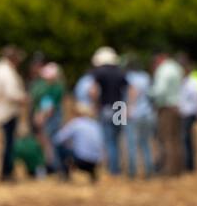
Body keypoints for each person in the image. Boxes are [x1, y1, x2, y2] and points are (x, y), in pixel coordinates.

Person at [0, 46, 27, 181]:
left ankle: (6, 171)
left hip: (1, 111)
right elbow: (11, 93)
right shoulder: (6, 72)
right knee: (8, 144)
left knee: (7, 143)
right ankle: (7, 172)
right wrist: (23, 98)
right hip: (7, 112)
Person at [88, 47, 127, 175]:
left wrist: (94, 104)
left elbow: (93, 91)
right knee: (117, 139)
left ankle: (113, 169)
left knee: (108, 140)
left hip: (107, 107)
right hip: (120, 107)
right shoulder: (120, 72)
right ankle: (119, 166)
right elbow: (130, 88)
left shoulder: (99, 72)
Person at [150, 51, 185, 174]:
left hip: (166, 108)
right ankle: (178, 167)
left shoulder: (163, 70)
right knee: (176, 139)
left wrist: (148, 94)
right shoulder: (176, 68)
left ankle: (168, 169)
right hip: (176, 107)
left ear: (159, 58)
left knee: (166, 139)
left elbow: (160, 91)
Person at [53, 102, 105, 183]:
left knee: (59, 147)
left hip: (81, 160)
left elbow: (57, 138)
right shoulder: (95, 124)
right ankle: (92, 173)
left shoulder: (76, 123)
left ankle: (64, 175)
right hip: (96, 162)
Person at [31, 62, 66, 173]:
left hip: (52, 118)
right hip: (49, 118)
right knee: (48, 142)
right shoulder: (51, 87)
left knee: (53, 142)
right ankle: (53, 165)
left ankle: (56, 166)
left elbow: (50, 107)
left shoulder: (56, 87)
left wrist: (41, 116)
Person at [124, 56, 155, 178]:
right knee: (145, 143)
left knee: (131, 143)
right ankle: (149, 171)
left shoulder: (128, 77)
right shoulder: (146, 76)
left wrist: (128, 109)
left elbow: (132, 93)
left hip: (133, 114)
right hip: (148, 113)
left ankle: (132, 172)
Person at [178, 57, 197, 173]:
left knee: (185, 139)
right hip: (183, 114)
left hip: (188, 114)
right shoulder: (182, 82)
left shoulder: (193, 83)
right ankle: (188, 164)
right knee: (186, 140)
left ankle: (189, 165)